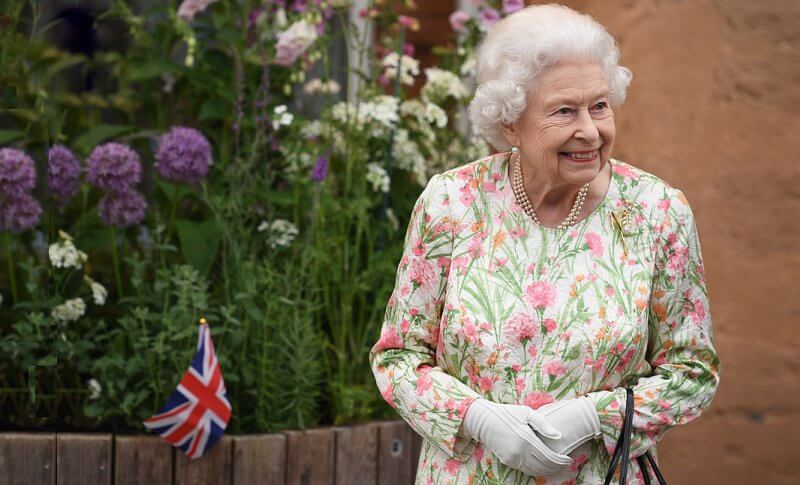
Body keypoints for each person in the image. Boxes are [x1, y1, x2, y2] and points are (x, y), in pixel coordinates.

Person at [369, 4, 720, 484]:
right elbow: (398, 357)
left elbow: (693, 373)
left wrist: (596, 417)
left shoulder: (655, 212)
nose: (590, 130)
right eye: (564, 111)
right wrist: (477, 418)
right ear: (510, 122)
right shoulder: (451, 202)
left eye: (599, 105)